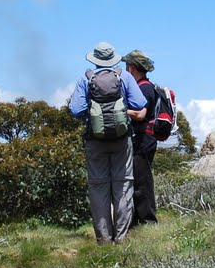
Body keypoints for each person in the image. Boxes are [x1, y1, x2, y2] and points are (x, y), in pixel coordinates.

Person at [68, 40, 147, 244]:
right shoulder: (125, 77)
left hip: (95, 140)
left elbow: (76, 110)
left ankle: (103, 239)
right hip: (122, 139)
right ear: (113, 59)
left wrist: (94, 115)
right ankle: (121, 239)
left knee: (98, 187)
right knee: (122, 186)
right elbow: (139, 104)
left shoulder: (85, 79)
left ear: (94, 59)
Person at [123, 49, 162, 225]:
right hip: (145, 139)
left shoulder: (144, 88)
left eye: (127, 66)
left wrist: (122, 111)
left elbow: (140, 114)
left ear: (132, 68)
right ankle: (139, 220)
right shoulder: (146, 86)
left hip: (143, 141)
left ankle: (148, 221)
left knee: (142, 182)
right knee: (139, 180)